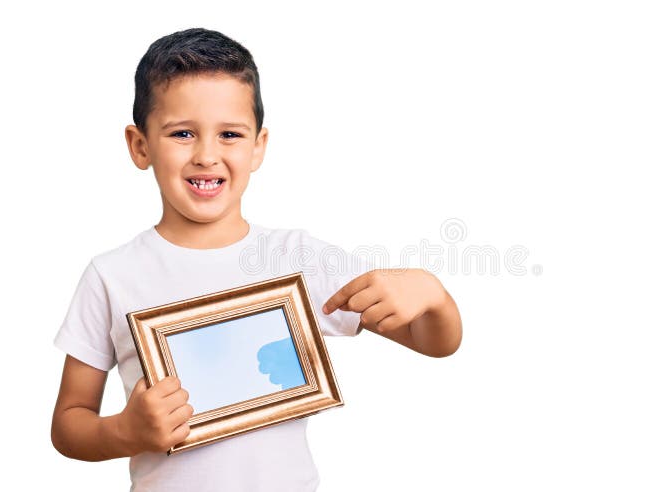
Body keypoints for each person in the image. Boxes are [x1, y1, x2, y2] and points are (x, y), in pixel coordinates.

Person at [50, 27, 462, 491]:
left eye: (230, 134)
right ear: (140, 145)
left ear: (258, 146)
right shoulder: (111, 275)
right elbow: (68, 423)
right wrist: (122, 431)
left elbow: (435, 343)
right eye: (182, 133)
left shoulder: (297, 257)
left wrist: (433, 296)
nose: (207, 155)